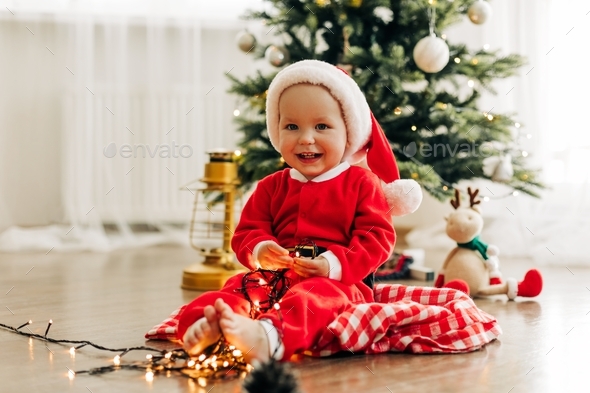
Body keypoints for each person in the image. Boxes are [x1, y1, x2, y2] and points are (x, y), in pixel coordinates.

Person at [177, 59, 422, 363]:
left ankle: (270, 335)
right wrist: (261, 250)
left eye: (322, 126)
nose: (306, 138)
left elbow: (377, 239)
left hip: (337, 283)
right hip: (273, 277)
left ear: (349, 132)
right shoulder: (270, 186)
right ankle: (208, 324)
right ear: (276, 132)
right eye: (292, 126)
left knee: (313, 300)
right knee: (235, 289)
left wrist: (331, 264)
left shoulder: (362, 183)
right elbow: (246, 233)